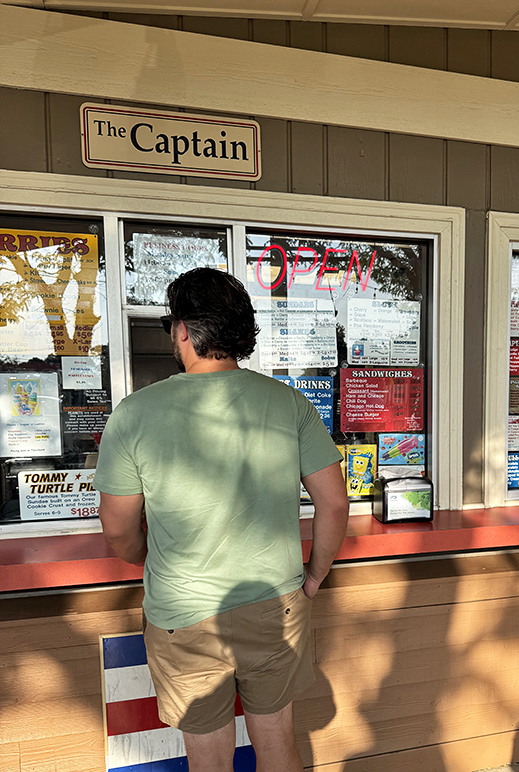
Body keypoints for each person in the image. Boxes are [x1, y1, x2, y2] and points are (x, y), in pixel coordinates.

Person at [93, 267, 349, 772]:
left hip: (182, 613)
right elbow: (335, 504)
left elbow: (119, 529)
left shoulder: (134, 413)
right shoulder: (289, 403)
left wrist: (151, 559)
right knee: (278, 743)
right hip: (277, 604)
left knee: (208, 758)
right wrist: (314, 576)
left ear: (182, 329)